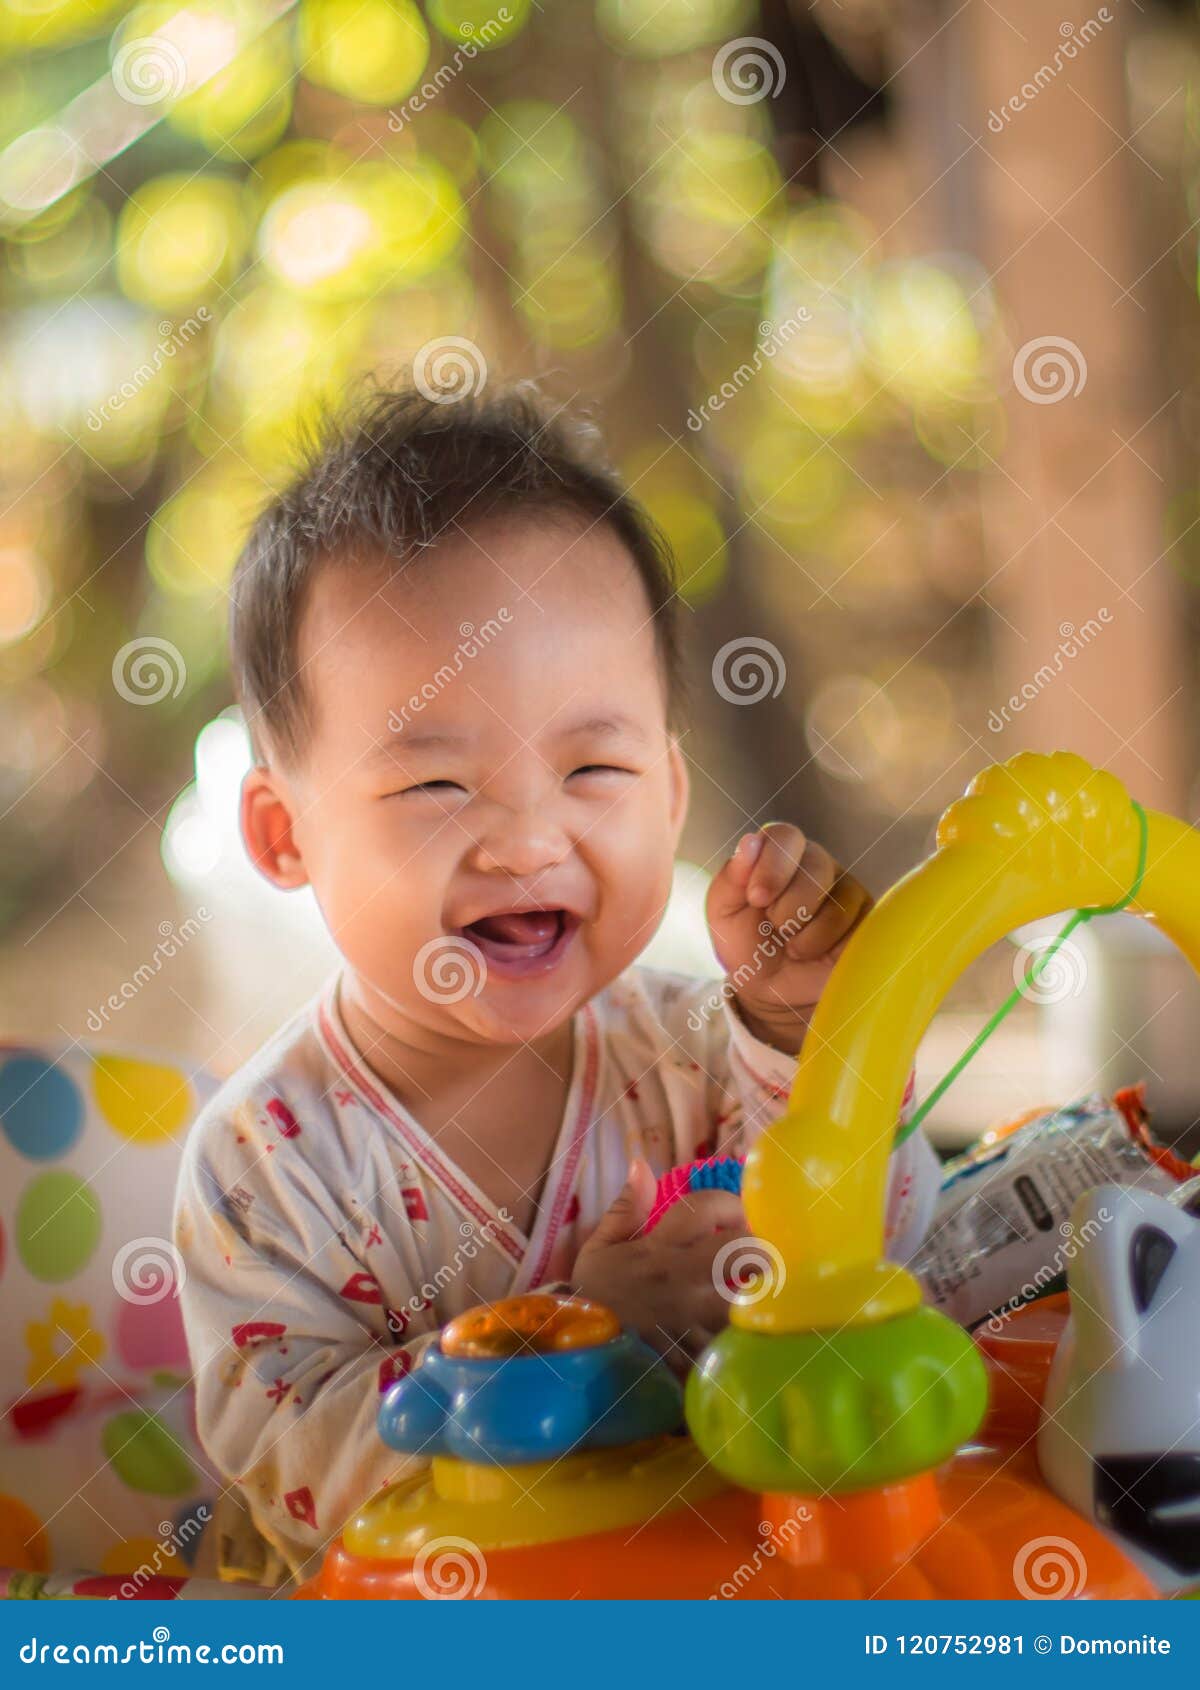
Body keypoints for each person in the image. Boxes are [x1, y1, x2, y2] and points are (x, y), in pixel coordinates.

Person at [173, 385, 938, 1587]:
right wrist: (572, 1337)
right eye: (436, 787)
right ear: (284, 834)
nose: (529, 842)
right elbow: (291, 1464)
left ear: (672, 798)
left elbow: (888, 1252)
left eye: (594, 767)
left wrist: (809, 1036)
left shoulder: (704, 1050)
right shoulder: (267, 1158)